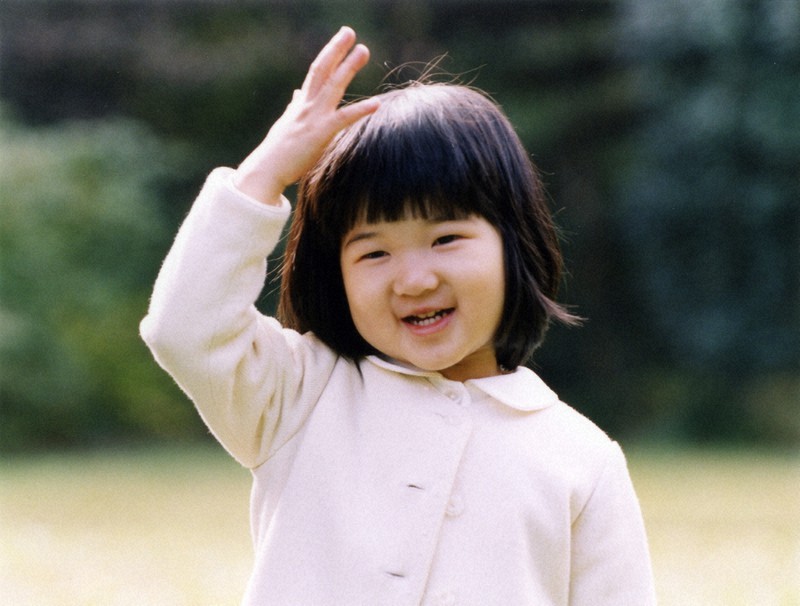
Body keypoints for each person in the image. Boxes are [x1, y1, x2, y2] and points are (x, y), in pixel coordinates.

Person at [141, 26, 655, 606]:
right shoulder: (297, 396)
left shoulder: (580, 459)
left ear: (514, 241)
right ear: (335, 271)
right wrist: (265, 173)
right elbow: (184, 329)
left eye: (446, 238)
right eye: (375, 252)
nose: (414, 279)